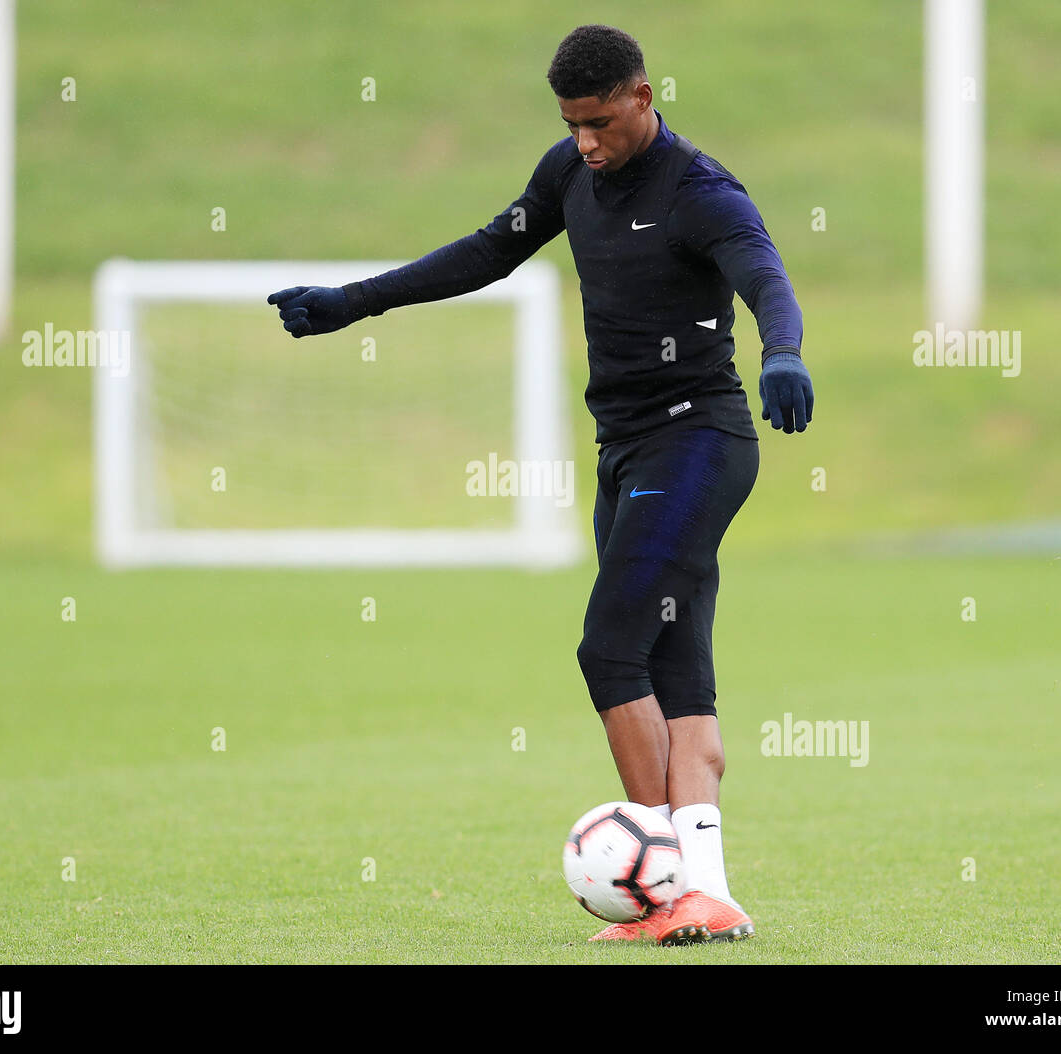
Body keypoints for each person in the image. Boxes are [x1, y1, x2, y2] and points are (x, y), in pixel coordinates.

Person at [268, 24, 813, 945]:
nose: (587, 143)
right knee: (678, 670)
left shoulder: (702, 192)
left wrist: (785, 355)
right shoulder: (569, 172)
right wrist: (354, 301)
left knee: (610, 653)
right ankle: (710, 898)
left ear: (643, 95)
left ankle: (668, 888)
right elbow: (487, 251)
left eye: (599, 122)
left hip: (700, 444)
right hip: (626, 453)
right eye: (571, 125)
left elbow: (765, 276)